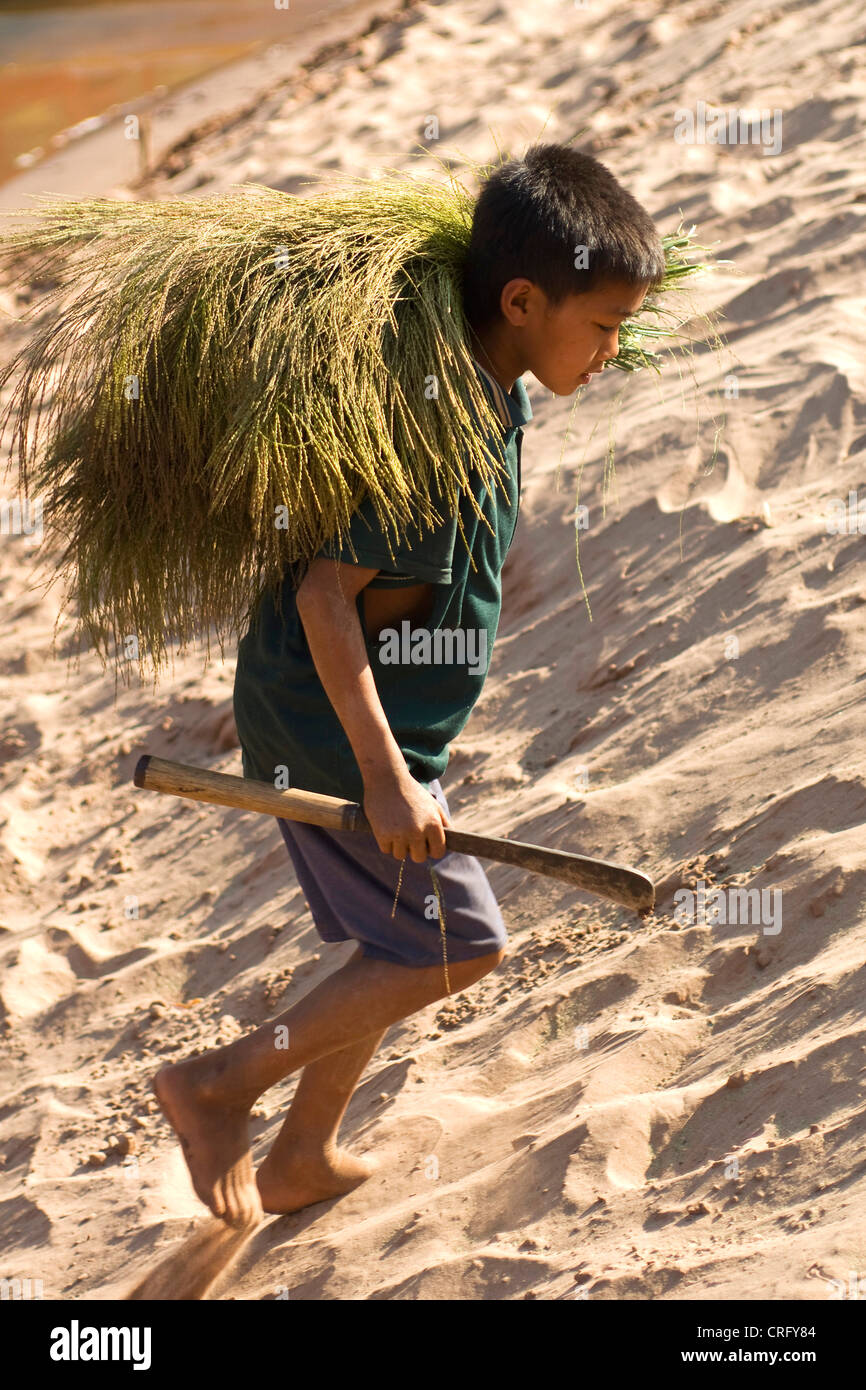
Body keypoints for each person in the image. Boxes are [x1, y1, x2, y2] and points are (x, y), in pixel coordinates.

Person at [153, 143, 665, 1226]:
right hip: (331, 724)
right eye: (604, 327)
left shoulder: (490, 384)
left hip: (385, 718)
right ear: (520, 300)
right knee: (454, 941)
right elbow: (322, 597)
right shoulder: (436, 433)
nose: (613, 352)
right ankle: (217, 1085)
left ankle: (301, 1155)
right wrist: (385, 780)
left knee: (397, 935)